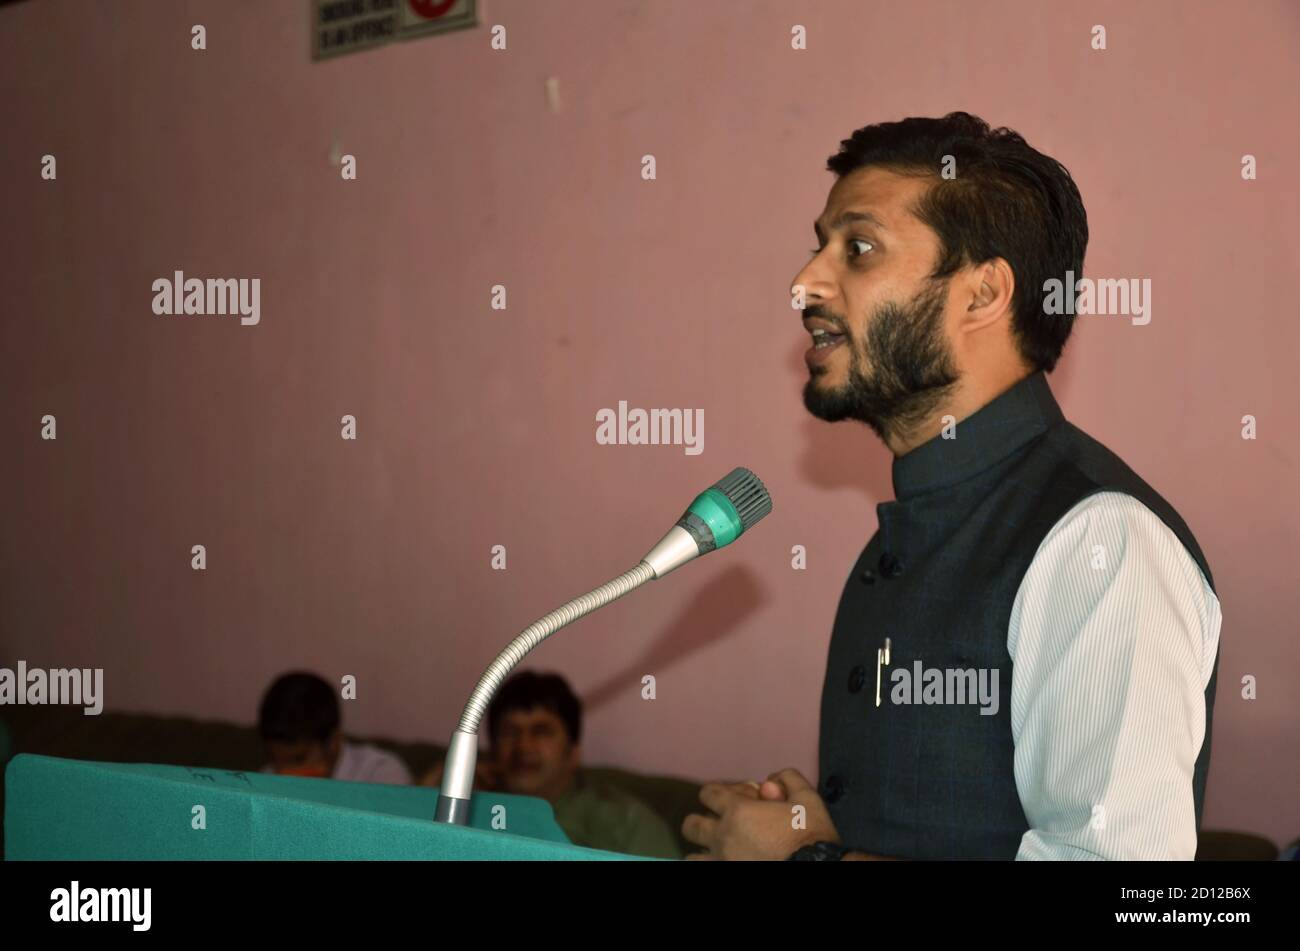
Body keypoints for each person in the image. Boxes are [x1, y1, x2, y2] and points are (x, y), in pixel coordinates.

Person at [683, 112, 1222, 861]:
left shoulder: (1100, 539)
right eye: (819, 246)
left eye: (859, 248)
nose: (804, 283)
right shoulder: (907, 534)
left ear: (981, 295)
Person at [422, 672, 681, 859]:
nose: (524, 746)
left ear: (574, 751)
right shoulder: (471, 809)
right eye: (511, 732)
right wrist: (426, 797)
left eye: (542, 732)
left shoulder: (626, 823)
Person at [258, 671, 410, 785]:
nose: (283, 772)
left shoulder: (381, 774)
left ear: (333, 743)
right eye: (275, 759)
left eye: (299, 759)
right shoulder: (267, 777)